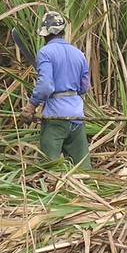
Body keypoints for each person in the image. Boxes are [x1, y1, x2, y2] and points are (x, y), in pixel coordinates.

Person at [20, 11, 91, 168]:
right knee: (82, 170)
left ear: (45, 35)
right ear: (62, 31)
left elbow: (45, 86)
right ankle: (88, 191)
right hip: (76, 116)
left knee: (47, 168)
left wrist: (31, 107)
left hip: (55, 118)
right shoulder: (79, 54)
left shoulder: (46, 53)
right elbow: (85, 86)